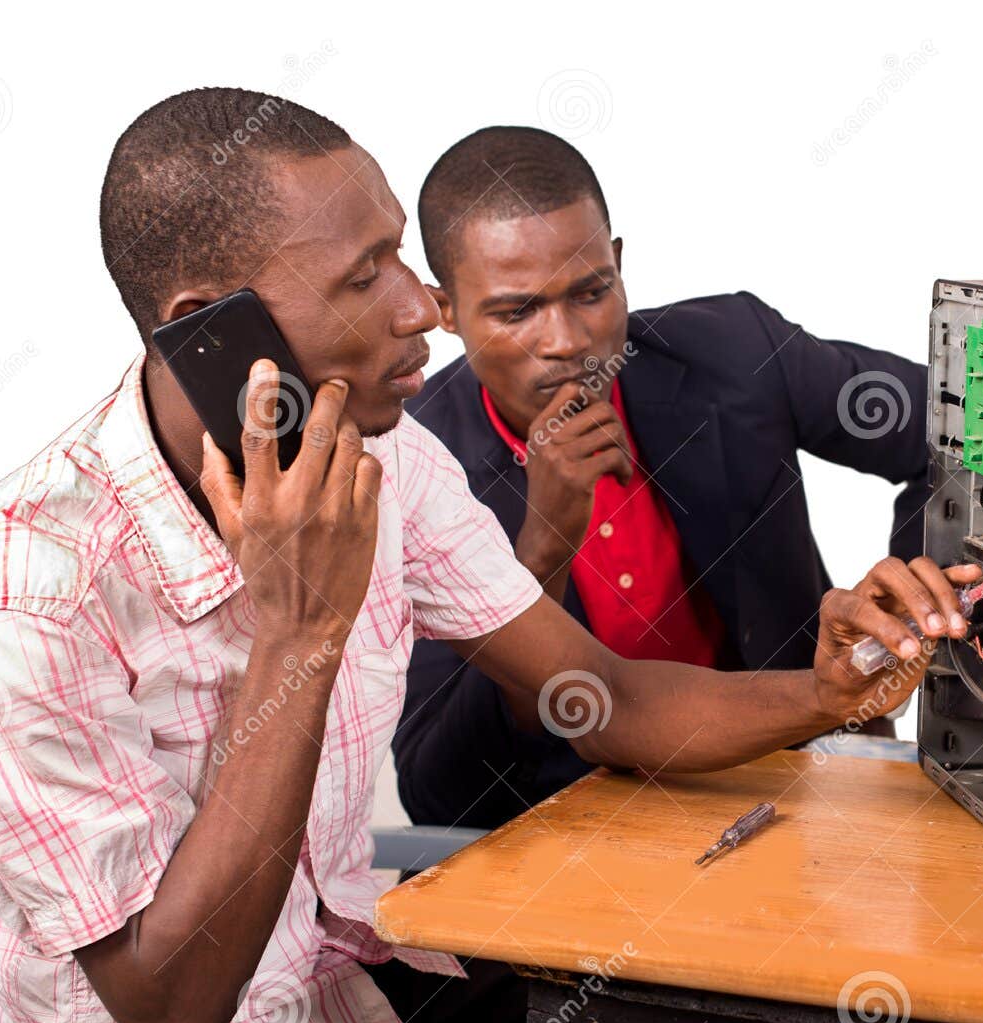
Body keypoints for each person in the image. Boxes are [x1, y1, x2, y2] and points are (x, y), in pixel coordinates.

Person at [0, 89, 976, 1023]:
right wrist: (300, 632)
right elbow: (172, 1012)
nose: (422, 309)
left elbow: (602, 697)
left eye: (397, 255)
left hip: (366, 997)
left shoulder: (387, 461)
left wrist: (825, 695)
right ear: (212, 325)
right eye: (364, 274)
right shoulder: (17, 600)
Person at [395, 126, 931, 829]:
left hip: (796, 785)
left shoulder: (735, 350)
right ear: (445, 312)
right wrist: (541, 550)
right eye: (516, 310)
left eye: (591, 292)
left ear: (618, 264)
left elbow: (962, 439)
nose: (566, 341)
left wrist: (922, 603)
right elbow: (441, 792)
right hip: (564, 835)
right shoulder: (412, 465)